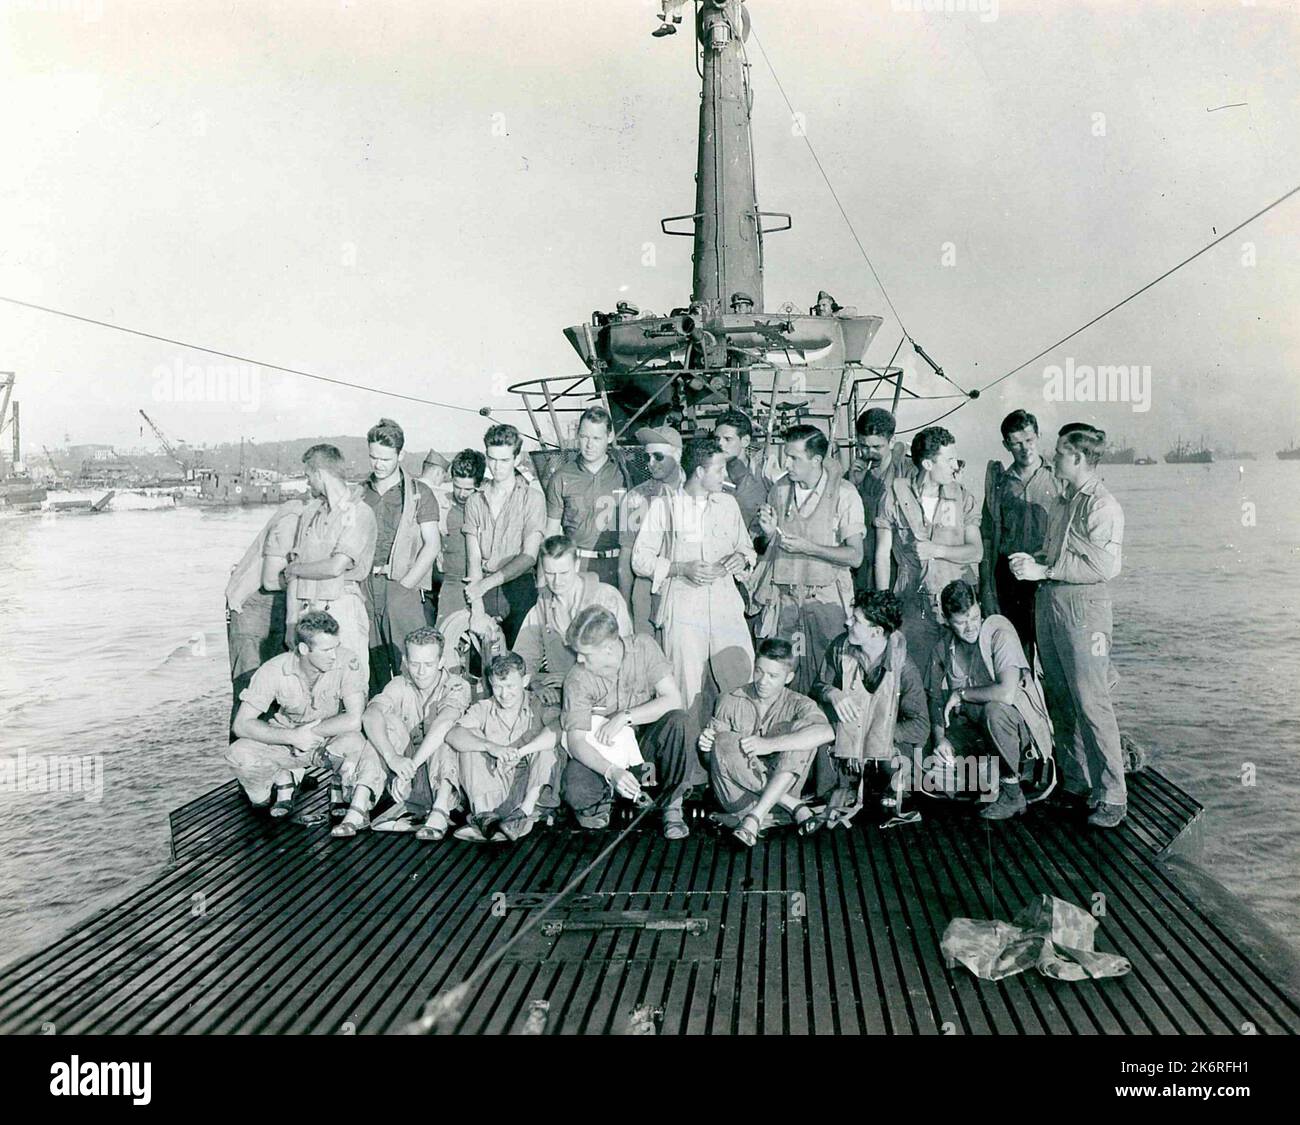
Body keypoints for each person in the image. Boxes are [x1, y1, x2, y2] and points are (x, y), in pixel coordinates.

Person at [1009, 423, 1127, 828]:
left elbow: (1102, 566)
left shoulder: (1101, 505)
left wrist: (1042, 568)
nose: (1052, 456)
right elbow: (1058, 551)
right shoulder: (1064, 501)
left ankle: (1113, 794)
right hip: (1052, 602)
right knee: (1059, 697)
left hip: (1084, 609)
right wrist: (1034, 560)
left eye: (1059, 452)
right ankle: (1076, 783)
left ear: (1077, 457)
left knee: (1092, 701)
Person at [632, 435, 754, 756]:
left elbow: (747, 549)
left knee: (740, 678)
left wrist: (741, 558)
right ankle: (686, 775)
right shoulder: (665, 507)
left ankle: (738, 763)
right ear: (699, 472)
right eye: (719, 471)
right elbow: (640, 560)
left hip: (727, 607)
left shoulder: (728, 505)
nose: (725, 477)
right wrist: (679, 568)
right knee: (686, 688)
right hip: (684, 609)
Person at [328, 627, 473, 840]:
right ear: (405, 660)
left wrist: (410, 767)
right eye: (415, 664)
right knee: (385, 722)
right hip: (406, 783)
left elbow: (444, 722)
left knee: (447, 732)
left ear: (441, 661)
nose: (421, 672)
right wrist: (392, 758)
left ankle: (440, 813)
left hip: (446, 782)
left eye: (429, 664)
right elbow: (370, 715)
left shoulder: (457, 685)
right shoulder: (399, 684)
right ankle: (358, 810)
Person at [752, 423, 866, 694]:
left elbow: (856, 556)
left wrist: (809, 547)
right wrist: (767, 534)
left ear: (816, 460)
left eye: (794, 458)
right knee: (786, 675)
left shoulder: (845, 494)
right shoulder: (779, 491)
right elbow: (761, 546)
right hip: (787, 602)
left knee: (829, 677)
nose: (786, 463)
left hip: (826, 603)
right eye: (785, 455)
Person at [560, 605, 692, 839]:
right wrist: (612, 771)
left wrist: (624, 717)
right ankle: (611, 798)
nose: (578, 659)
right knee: (576, 791)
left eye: (585, 654)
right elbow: (576, 741)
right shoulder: (577, 678)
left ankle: (671, 806)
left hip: (643, 754)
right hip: (605, 757)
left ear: (609, 648)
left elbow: (673, 700)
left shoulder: (643, 647)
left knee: (680, 722)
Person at [927, 581, 1054, 821]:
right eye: (960, 622)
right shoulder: (943, 648)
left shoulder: (999, 634)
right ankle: (986, 777)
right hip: (975, 730)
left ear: (980, 608)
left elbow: (1005, 693)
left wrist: (961, 694)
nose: (970, 627)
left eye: (974, 617)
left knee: (994, 711)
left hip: (1017, 731)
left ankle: (1012, 791)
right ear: (946, 620)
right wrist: (940, 738)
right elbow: (935, 699)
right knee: (933, 773)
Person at [226, 611, 366, 816]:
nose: (334, 655)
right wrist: (292, 737)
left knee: (358, 746)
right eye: (326, 650)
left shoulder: (347, 660)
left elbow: (354, 719)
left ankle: (337, 787)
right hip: (285, 744)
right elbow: (241, 725)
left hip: (327, 739)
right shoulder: (273, 669)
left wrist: (310, 734)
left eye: (335, 647)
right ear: (303, 648)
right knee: (238, 755)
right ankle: (280, 781)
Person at [810, 590, 930, 827]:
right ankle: (839, 789)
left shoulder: (904, 669)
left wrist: (870, 737)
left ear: (876, 632)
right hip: (846, 746)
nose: (847, 623)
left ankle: (883, 791)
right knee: (816, 720)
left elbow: (920, 727)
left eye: (856, 620)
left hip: (883, 750)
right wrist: (831, 692)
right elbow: (816, 687)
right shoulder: (840, 647)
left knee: (892, 765)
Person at [700, 638, 835, 846]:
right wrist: (707, 747)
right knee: (724, 740)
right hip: (739, 800)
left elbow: (827, 733)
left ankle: (754, 819)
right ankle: (791, 806)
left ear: (788, 677)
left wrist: (769, 745)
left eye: (773, 676)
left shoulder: (800, 703)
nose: (763, 681)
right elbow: (712, 763)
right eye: (759, 671)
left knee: (802, 733)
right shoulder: (729, 699)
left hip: (776, 795)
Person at [874, 425, 981, 667]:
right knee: (915, 670)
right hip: (912, 603)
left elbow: (976, 551)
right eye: (950, 459)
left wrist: (937, 550)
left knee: (960, 673)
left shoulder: (963, 496)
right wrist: (884, 607)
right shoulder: (893, 495)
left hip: (957, 602)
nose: (956, 465)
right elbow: (882, 555)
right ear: (928, 464)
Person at [282, 443, 377, 687]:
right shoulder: (310, 515)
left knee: (350, 683)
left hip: (342, 607)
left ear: (320, 474)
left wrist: (295, 570)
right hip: (308, 612)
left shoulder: (359, 512)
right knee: (311, 686)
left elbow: (336, 566)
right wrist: (291, 622)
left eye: (308, 476)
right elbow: (295, 571)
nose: (307, 483)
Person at [513, 535, 632, 722]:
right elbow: (523, 659)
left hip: (606, 701)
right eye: (550, 573)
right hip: (561, 701)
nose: (557, 581)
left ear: (577, 565)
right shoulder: (542, 605)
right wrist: (536, 683)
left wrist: (573, 679)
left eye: (563, 573)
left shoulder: (607, 598)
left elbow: (625, 663)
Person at [445, 653, 561, 843]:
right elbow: (453, 734)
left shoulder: (539, 703)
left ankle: (522, 816)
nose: (504, 694)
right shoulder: (483, 707)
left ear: (524, 681)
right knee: (469, 739)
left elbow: (558, 730)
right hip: (495, 792)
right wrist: (491, 747)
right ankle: (483, 817)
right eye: (497, 687)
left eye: (510, 686)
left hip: (530, 794)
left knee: (545, 747)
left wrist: (522, 751)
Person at [361, 418, 442, 694]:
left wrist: (406, 585)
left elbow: (431, 545)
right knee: (370, 664)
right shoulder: (359, 494)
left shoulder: (420, 494)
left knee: (413, 662)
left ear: (401, 455)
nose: (378, 464)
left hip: (401, 586)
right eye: (373, 457)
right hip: (365, 587)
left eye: (385, 458)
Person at [979, 409, 1064, 663]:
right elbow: (987, 538)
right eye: (1016, 444)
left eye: (1029, 441)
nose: (1025, 449)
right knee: (1017, 655)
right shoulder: (1000, 485)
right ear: (1006, 445)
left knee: (1054, 655)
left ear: (1038, 436)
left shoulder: (1058, 479)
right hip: (1010, 580)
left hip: (1047, 577)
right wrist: (987, 588)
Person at [224, 497, 305, 730]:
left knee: (273, 689)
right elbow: (271, 580)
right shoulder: (292, 520)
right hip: (254, 606)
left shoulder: (306, 516)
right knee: (248, 691)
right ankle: (241, 757)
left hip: (275, 606)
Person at [463, 423, 546, 647]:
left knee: (520, 662)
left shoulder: (533, 499)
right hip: (483, 593)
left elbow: (529, 556)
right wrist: (477, 611)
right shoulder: (474, 501)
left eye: (504, 460)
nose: (497, 467)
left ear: (517, 459)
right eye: (492, 459)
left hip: (519, 590)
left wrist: (486, 584)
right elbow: (473, 559)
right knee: (481, 664)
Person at [544, 406, 627, 587]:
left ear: (610, 437)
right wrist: (543, 585)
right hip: (576, 567)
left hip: (616, 567)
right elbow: (549, 534)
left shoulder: (625, 474)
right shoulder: (561, 477)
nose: (589, 445)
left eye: (596, 438)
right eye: (584, 437)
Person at [618, 425, 685, 633]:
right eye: (647, 458)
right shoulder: (635, 498)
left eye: (658, 456)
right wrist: (625, 605)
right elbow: (626, 557)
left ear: (678, 455)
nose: (651, 464)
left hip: (685, 587)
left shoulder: (696, 491)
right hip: (646, 591)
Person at [848, 407, 912, 596]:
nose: (869, 453)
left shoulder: (909, 474)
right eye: (863, 446)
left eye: (877, 447)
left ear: (891, 441)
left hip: (898, 570)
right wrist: (853, 486)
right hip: (863, 571)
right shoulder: (853, 475)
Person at [430, 449, 484, 624]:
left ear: (479, 484)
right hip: (452, 582)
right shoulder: (441, 505)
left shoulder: (487, 506)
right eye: (457, 487)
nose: (461, 494)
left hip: (484, 582)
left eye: (468, 489)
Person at [712, 408, 768, 529]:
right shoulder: (709, 477)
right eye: (717, 439)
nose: (720, 444)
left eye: (727, 439)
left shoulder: (764, 478)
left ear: (745, 441)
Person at [418, 450, 453, 625]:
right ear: (438, 472)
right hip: (434, 566)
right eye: (443, 476)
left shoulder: (408, 490)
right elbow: (446, 531)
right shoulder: (441, 496)